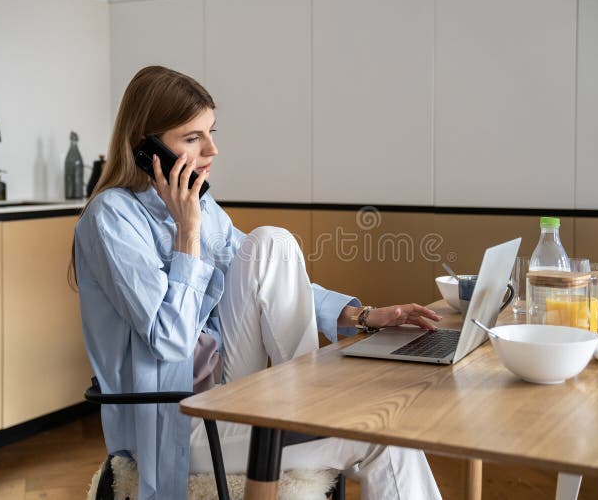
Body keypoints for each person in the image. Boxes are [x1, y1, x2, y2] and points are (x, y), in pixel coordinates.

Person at [73, 65, 443, 499]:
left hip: (226, 399)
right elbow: (170, 341)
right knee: (383, 439)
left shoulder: (202, 208)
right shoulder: (111, 218)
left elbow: (269, 273)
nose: (212, 149)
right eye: (192, 138)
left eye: (211, 132)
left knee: (272, 241)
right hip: (171, 425)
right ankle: (314, 410)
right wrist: (186, 236)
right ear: (148, 150)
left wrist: (360, 315)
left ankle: (312, 403)